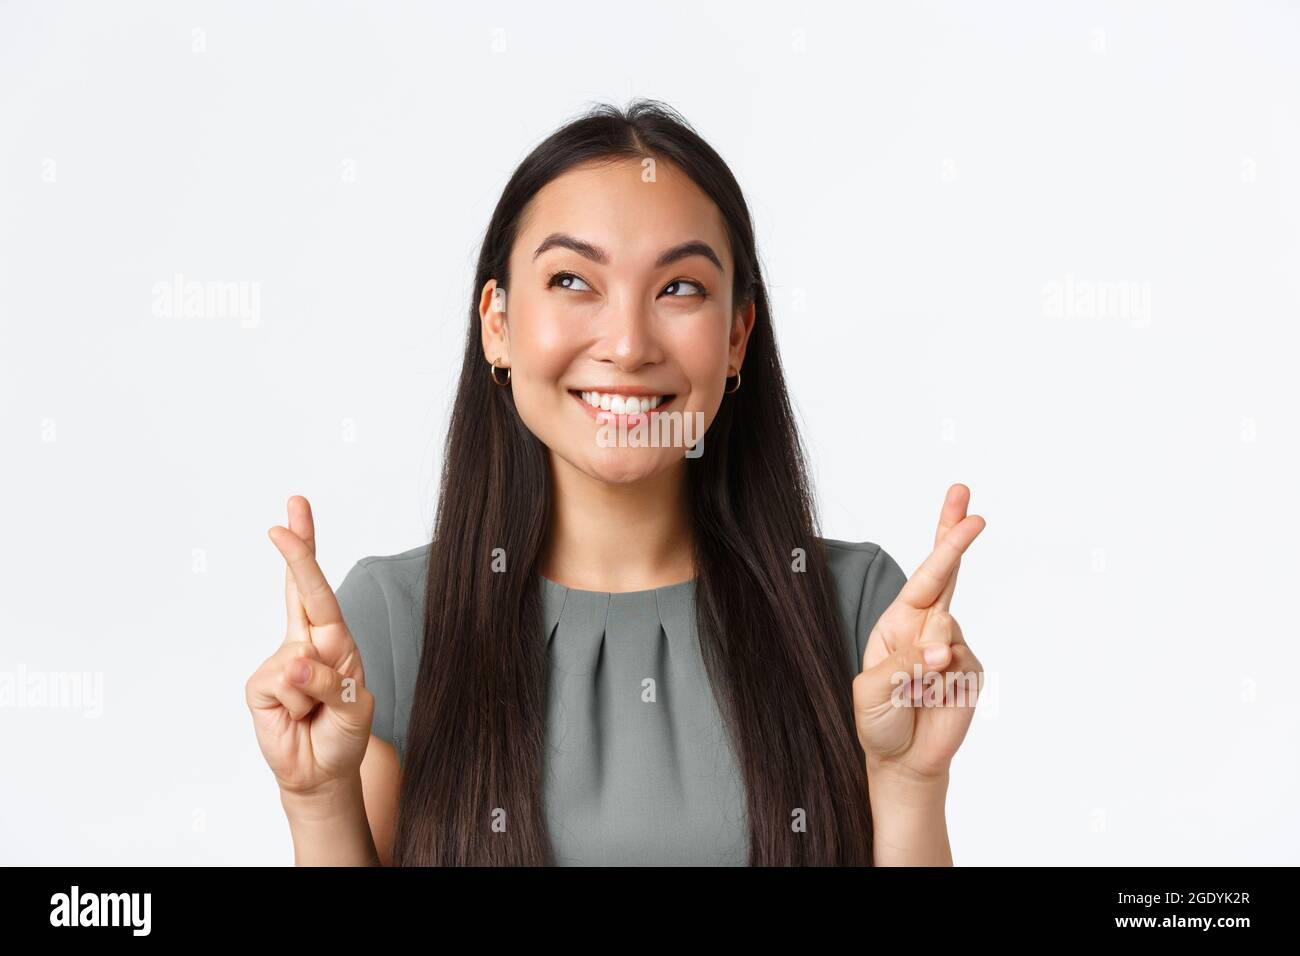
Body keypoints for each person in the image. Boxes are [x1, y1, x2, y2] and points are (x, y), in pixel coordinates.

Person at [245, 99, 986, 866]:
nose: (628, 346)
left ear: (737, 338)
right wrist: (315, 801)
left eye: (680, 289)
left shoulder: (856, 609)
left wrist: (909, 783)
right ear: (497, 323)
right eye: (573, 280)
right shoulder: (395, 623)